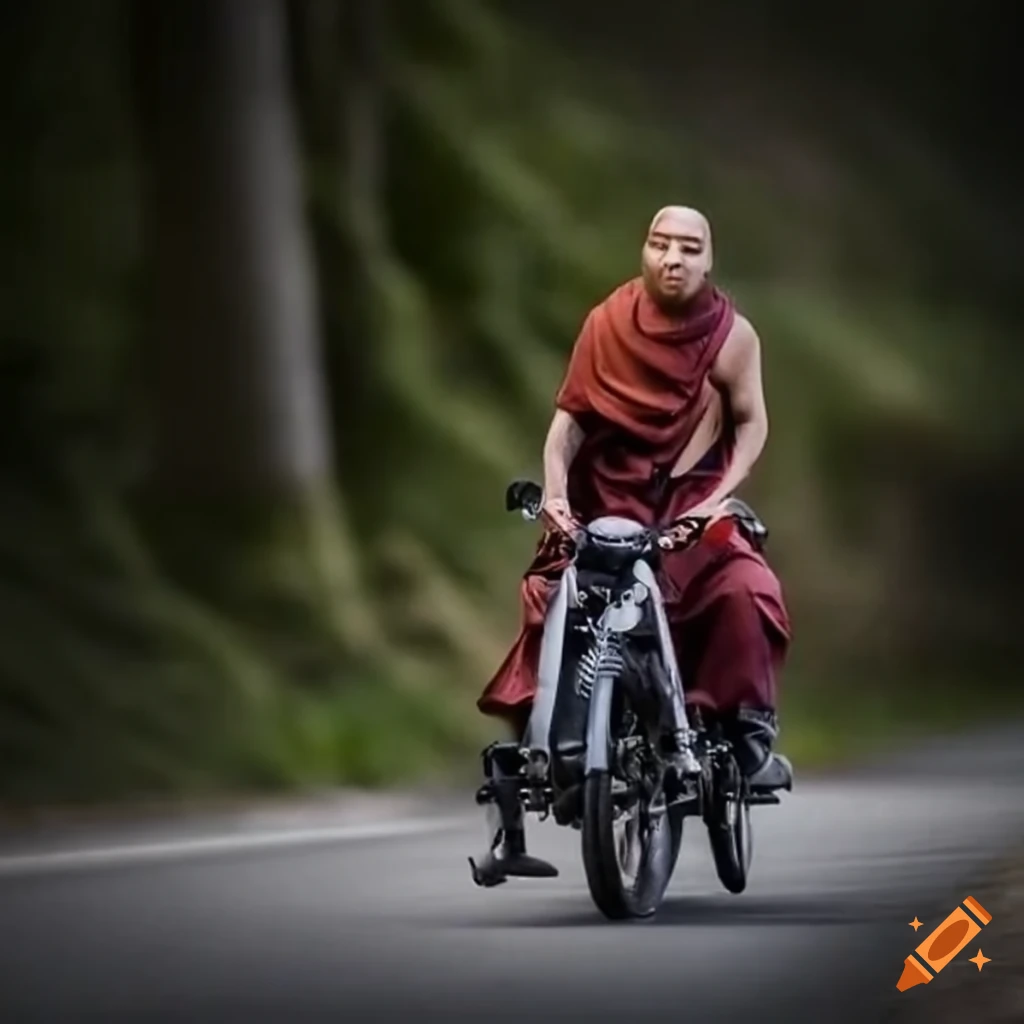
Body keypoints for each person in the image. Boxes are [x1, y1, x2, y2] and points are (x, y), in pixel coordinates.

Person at [469, 205, 793, 886]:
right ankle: (547, 745)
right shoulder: (605, 323)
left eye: (689, 248)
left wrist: (713, 501)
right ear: (643, 250)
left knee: (744, 587)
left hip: (689, 506)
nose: (673, 258)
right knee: (553, 593)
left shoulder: (733, 338)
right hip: (602, 506)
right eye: (659, 243)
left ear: (709, 261)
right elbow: (568, 425)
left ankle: (746, 728)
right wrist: (556, 492)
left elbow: (752, 424)